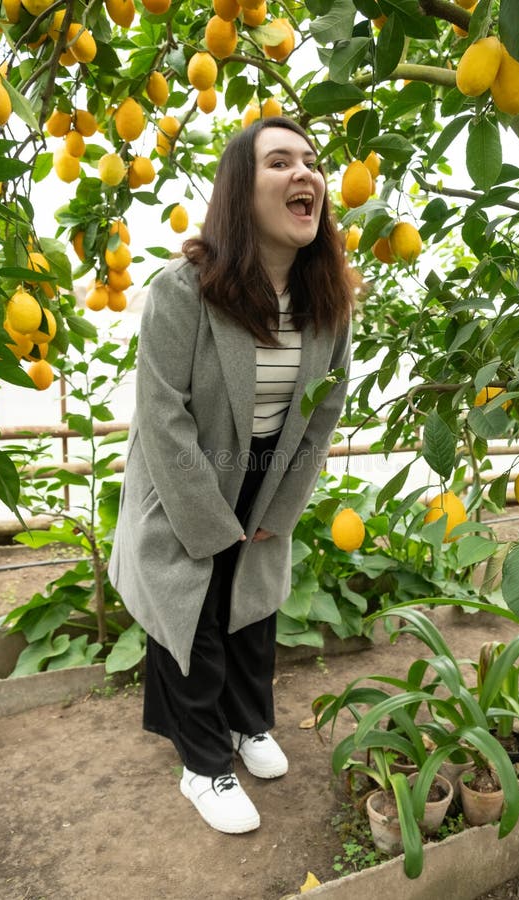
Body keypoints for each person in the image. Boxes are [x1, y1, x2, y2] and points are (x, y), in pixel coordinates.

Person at [108, 116, 357, 835]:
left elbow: (321, 415)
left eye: (311, 162)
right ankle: (203, 763)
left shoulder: (328, 304)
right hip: (181, 475)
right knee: (192, 617)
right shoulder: (183, 291)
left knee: (252, 604)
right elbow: (162, 416)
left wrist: (278, 504)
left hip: (261, 474)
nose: (304, 173)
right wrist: (208, 522)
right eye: (280, 162)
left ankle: (249, 725)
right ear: (241, 191)